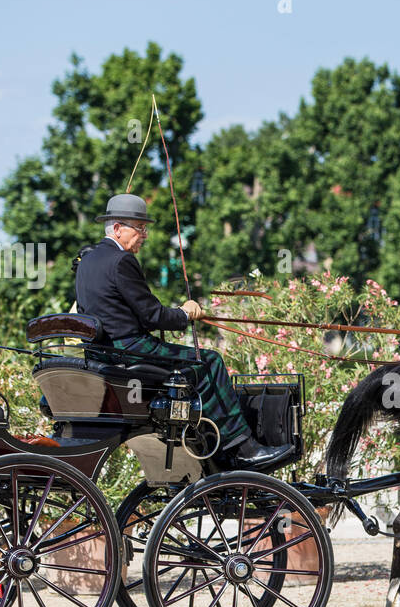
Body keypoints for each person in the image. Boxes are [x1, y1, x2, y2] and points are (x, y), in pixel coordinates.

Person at [74, 194, 291, 469]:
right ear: (117, 228)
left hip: (104, 353)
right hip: (130, 351)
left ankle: (210, 444)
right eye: (139, 228)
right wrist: (185, 313)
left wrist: (176, 313)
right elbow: (152, 315)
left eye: (145, 228)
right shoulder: (121, 261)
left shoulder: (87, 261)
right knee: (209, 362)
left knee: (198, 365)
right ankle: (242, 447)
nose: (145, 235)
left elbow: (121, 311)